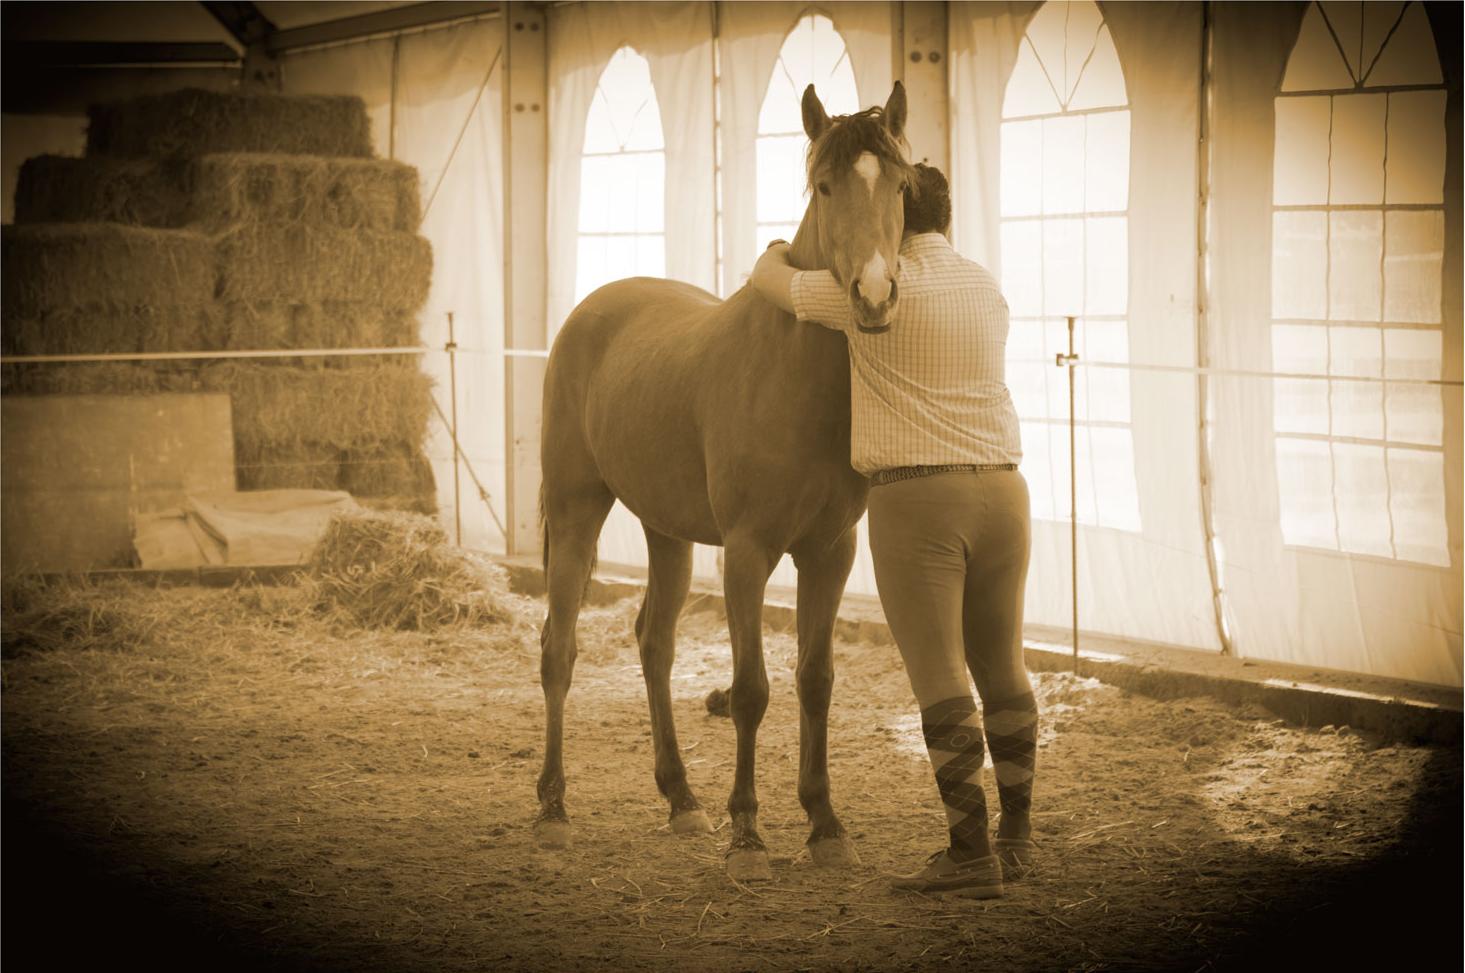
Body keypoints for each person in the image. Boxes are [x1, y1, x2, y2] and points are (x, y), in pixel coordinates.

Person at [750, 164, 1037, 898]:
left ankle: (968, 851)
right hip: (1004, 491)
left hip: (919, 499)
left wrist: (780, 246)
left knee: (940, 676)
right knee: (1003, 667)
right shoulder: (986, 288)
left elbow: (767, 282)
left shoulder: (872, 298)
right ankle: (1016, 835)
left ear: (894, 213)